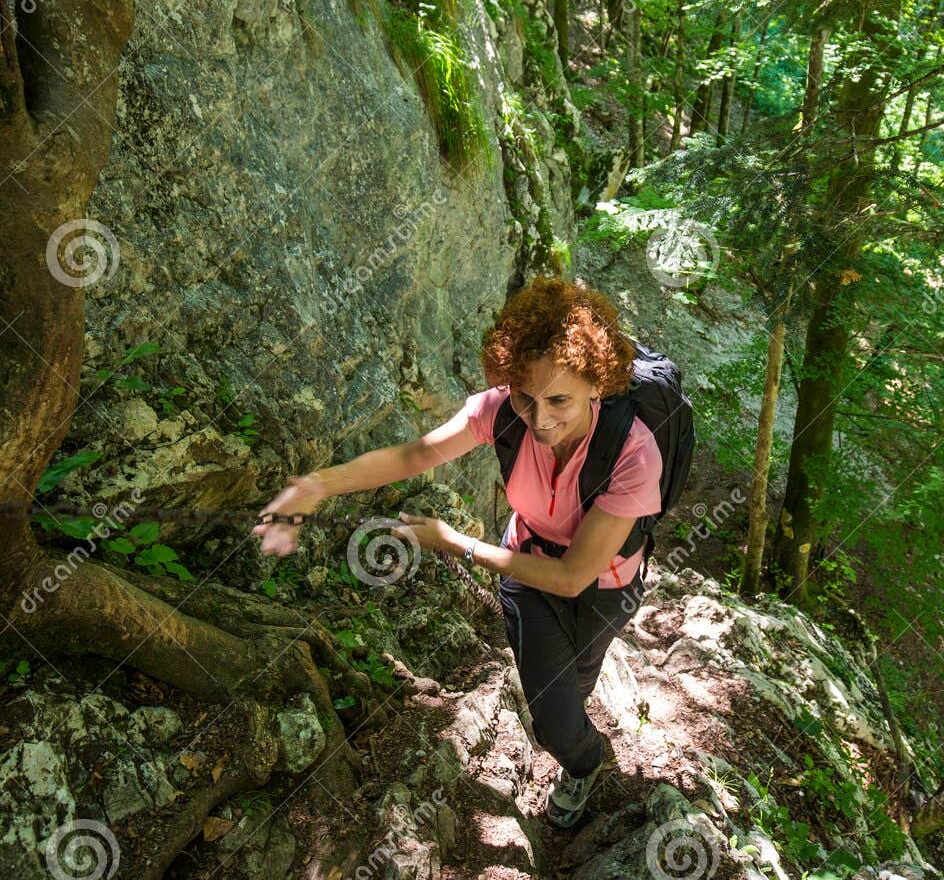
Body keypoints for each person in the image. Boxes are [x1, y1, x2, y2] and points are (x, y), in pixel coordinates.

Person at [253, 276, 662, 829]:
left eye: (560, 399)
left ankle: (575, 744)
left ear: (597, 385)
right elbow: (410, 457)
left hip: (603, 589)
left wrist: (457, 544)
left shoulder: (634, 452)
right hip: (525, 568)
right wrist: (318, 485)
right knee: (552, 717)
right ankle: (586, 761)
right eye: (526, 397)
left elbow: (571, 578)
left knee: (572, 691)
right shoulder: (500, 412)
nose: (539, 420)